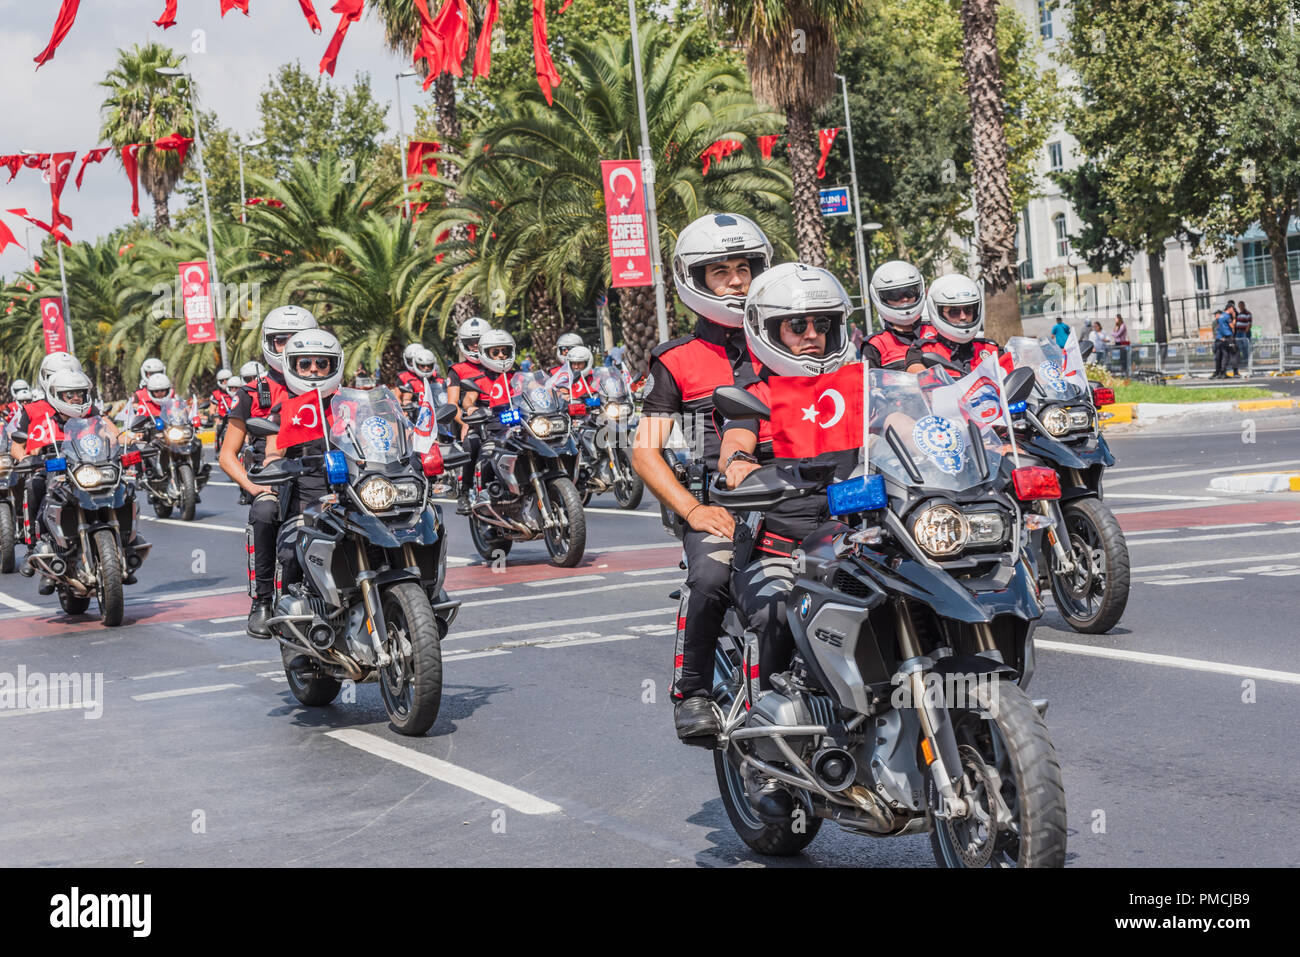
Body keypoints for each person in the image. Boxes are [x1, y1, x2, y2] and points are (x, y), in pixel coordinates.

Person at [715, 262, 857, 820]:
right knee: (777, 612)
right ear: (767, 331)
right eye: (797, 325)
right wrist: (741, 472)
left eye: (821, 323)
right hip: (781, 548)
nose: (812, 334)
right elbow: (735, 451)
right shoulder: (755, 391)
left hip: (861, 540)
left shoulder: (860, 382)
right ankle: (766, 753)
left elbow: (913, 422)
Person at [629, 211, 772, 742]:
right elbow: (645, 452)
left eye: (745, 268)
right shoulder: (678, 359)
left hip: (797, 489)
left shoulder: (793, 338)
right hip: (719, 501)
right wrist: (694, 510)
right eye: (721, 272)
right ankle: (691, 690)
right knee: (712, 576)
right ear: (695, 280)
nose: (737, 281)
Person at [219, 304, 319, 638]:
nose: (289, 346)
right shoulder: (253, 393)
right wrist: (256, 487)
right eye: (281, 340)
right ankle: (262, 600)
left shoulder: (329, 382)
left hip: (325, 473)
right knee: (264, 513)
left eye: (298, 339)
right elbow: (227, 455)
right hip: (276, 477)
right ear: (268, 343)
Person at [12, 369, 146, 590]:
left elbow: (110, 434)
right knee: (36, 485)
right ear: (56, 393)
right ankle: (36, 550)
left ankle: (126, 545)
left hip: (92, 469)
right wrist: (29, 458)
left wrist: (126, 441)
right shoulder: (42, 418)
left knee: (126, 488)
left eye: (80, 393)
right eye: (70, 394)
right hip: (60, 472)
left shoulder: (92, 415)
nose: (76, 398)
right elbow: (23, 445)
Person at [261, 329, 346, 595]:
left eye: (322, 363)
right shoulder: (286, 411)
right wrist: (273, 465)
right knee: (290, 553)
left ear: (333, 365)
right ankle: (281, 605)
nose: (313, 370)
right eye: (305, 363)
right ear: (293, 366)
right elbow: (273, 451)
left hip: (353, 499)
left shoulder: (348, 404)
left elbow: (383, 436)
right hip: (307, 502)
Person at [905, 273, 1003, 374]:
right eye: (954, 312)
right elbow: (917, 377)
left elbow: (1013, 379)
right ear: (937, 312)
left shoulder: (991, 350)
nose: (963, 317)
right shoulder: (921, 351)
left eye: (968, 310)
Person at [859, 260, 933, 370]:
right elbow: (868, 384)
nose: (905, 299)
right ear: (881, 298)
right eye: (895, 295)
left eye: (910, 292)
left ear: (919, 292)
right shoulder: (876, 344)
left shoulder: (936, 333)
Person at [1212, 308, 1236, 379]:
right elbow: (1216, 332)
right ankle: (1219, 372)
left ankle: (1222, 373)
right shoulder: (1216, 322)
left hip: (1221, 340)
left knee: (1223, 356)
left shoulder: (1220, 320)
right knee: (1219, 357)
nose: (1215, 316)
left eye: (1216, 315)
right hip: (1219, 341)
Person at [1233, 300, 1253, 375]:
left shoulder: (1248, 313)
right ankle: (1242, 360)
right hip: (1238, 332)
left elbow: (1249, 324)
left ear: (1244, 305)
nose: (1240, 307)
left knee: (1245, 347)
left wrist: (1245, 332)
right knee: (1239, 347)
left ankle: (1247, 361)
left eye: (1241, 305)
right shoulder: (1239, 314)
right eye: (1239, 306)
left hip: (1244, 333)